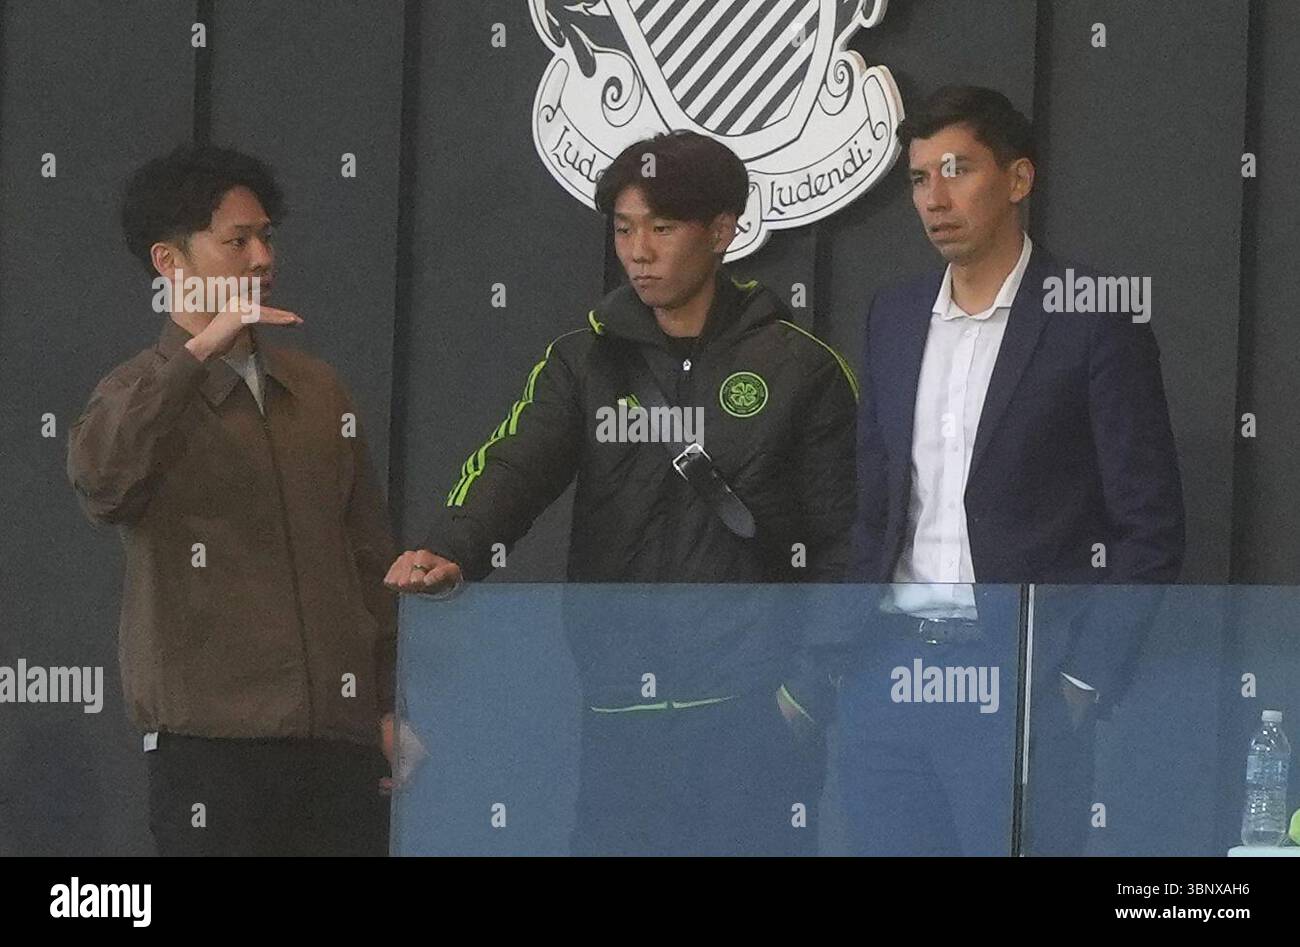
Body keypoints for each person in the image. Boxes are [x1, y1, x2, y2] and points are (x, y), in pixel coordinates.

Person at [386, 130, 857, 856]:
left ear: (723, 231)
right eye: (624, 228)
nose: (638, 250)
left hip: (751, 716)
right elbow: (514, 466)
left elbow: (844, 539)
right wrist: (452, 549)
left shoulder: (802, 367)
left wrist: (804, 691)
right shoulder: (585, 359)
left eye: (662, 228)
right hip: (617, 706)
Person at [846, 86, 1185, 855]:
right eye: (919, 177)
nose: (935, 196)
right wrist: (841, 658)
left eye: (958, 170)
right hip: (889, 670)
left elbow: (1151, 523)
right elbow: (872, 503)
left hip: (1020, 678)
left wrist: (1078, 682)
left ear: (1019, 180)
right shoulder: (892, 315)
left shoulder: (1093, 315)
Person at [67, 144, 397, 856]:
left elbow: (369, 559)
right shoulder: (136, 390)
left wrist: (390, 705)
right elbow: (103, 483)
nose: (260, 258)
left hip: (339, 748)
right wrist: (199, 352)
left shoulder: (319, 391)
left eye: (266, 236)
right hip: (211, 753)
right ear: (170, 261)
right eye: (236, 240)